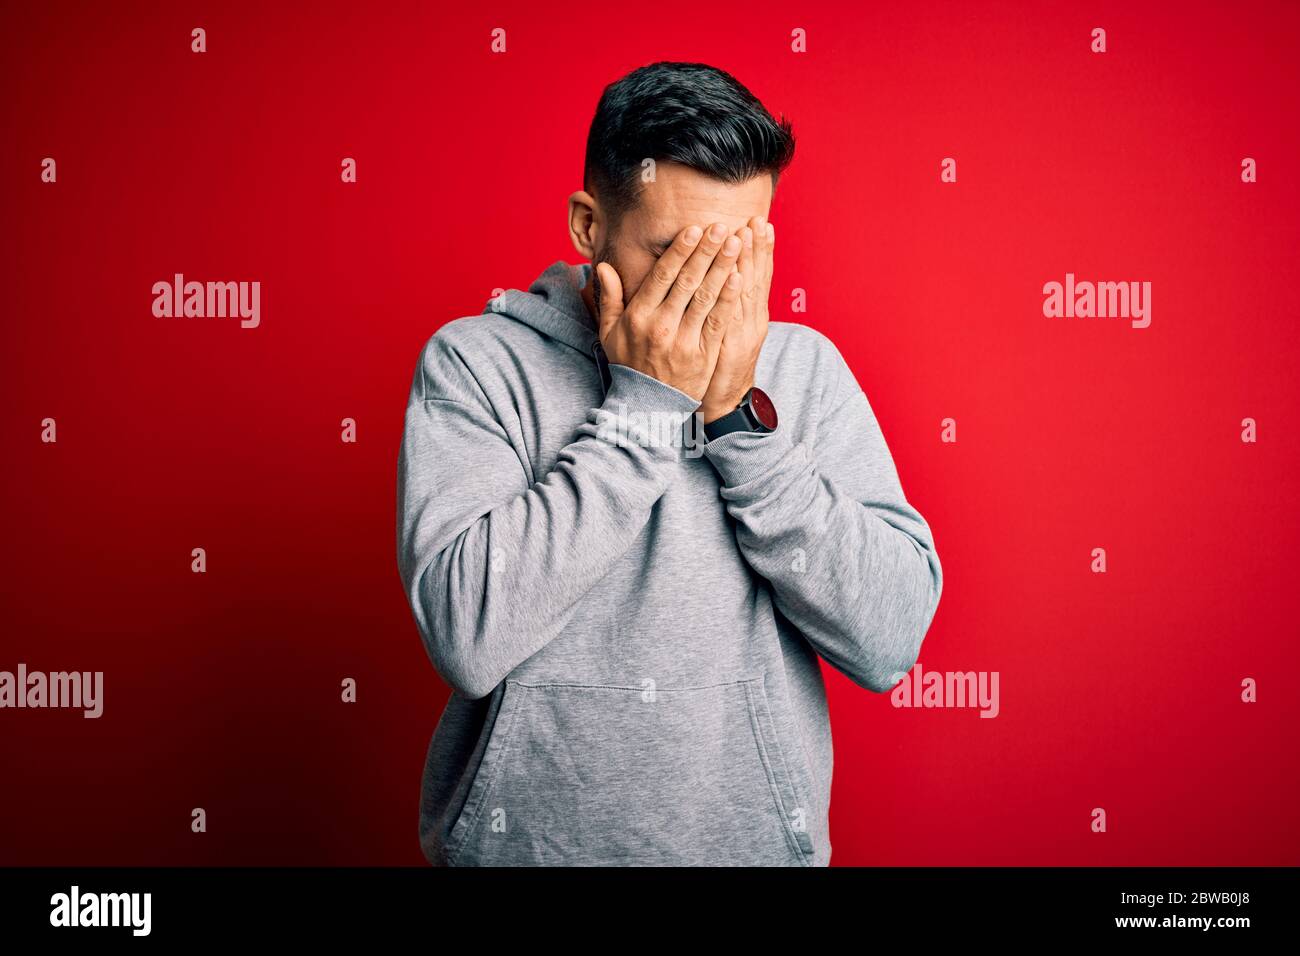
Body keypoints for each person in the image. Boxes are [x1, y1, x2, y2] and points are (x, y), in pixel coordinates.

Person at [395, 60, 943, 866]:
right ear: (589, 225)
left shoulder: (805, 371)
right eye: (674, 256)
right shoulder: (478, 364)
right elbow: (467, 635)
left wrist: (739, 426)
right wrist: (645, 410)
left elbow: (890, 639)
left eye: (734, 256)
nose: (706, 292)